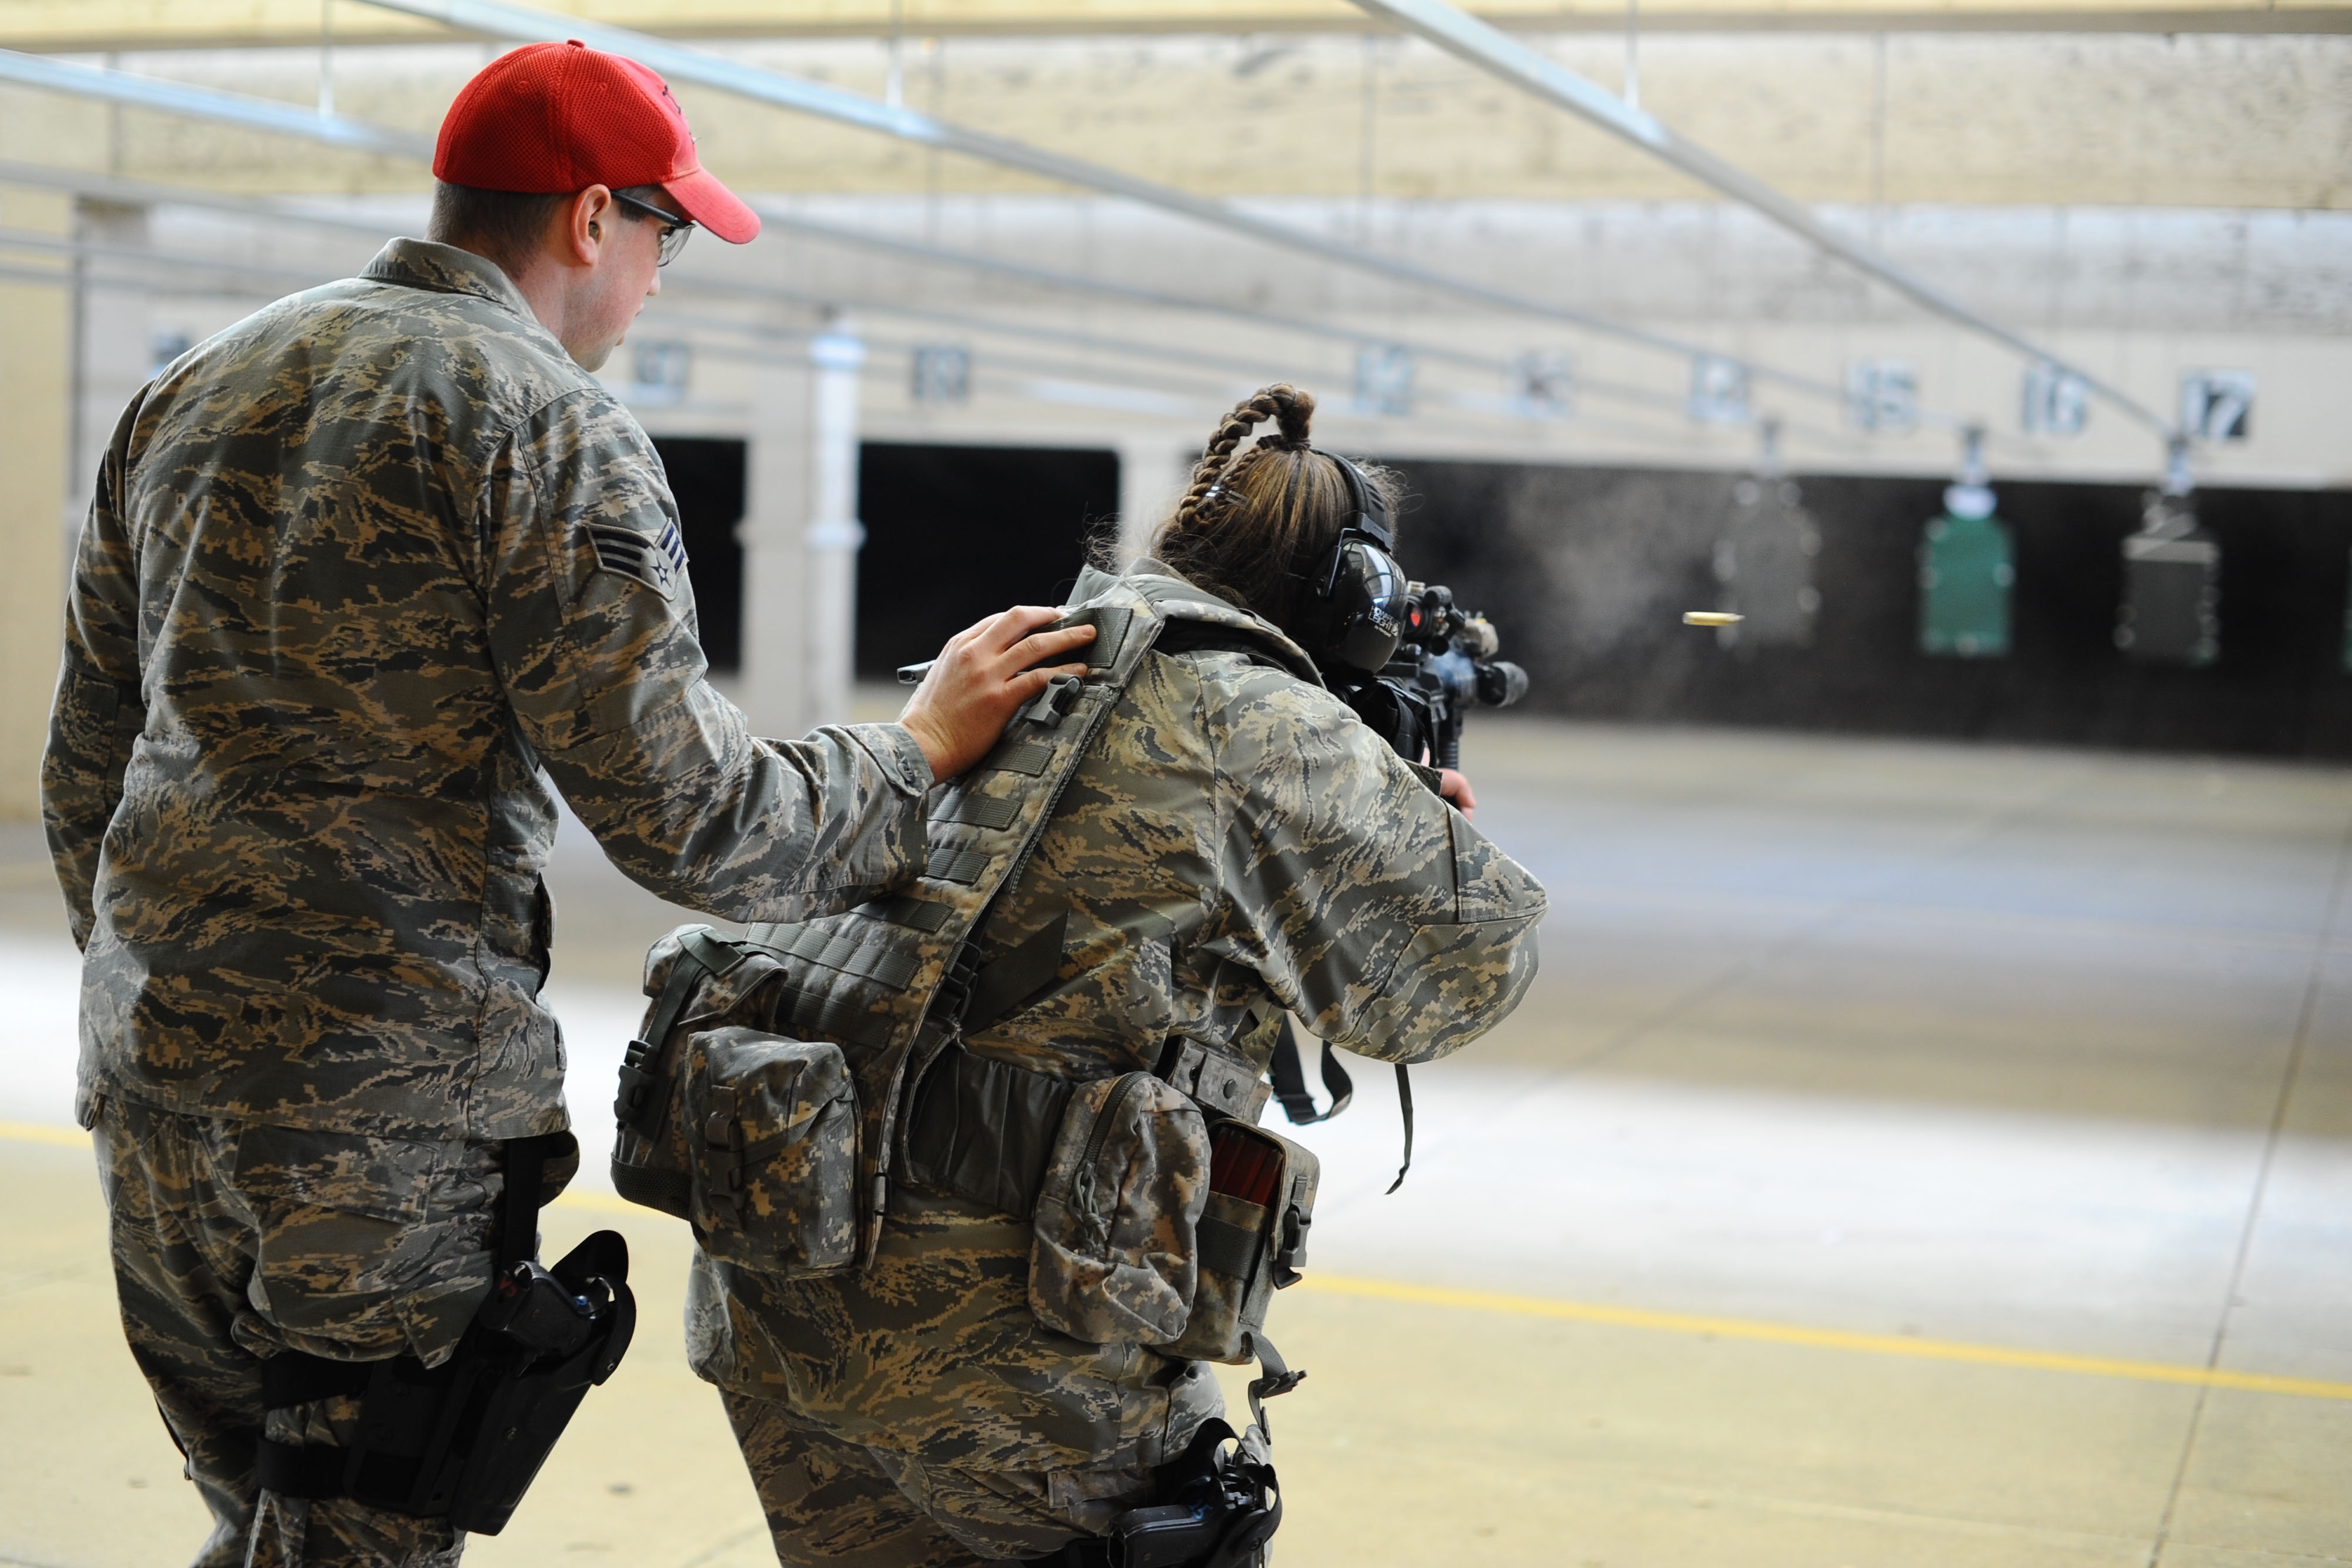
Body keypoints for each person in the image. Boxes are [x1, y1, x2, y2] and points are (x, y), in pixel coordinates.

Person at [39, 39, 1092, 1568]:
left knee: (265, 1518)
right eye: (665, 231)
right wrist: (917, 748)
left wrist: (173, 981)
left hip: (154, 1089)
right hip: (374, 1119)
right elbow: (689, 817)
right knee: (359, 1536)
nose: (668, 271)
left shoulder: (190, 389)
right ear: (591, 217)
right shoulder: (541, 420)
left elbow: (89, 760)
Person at [688, 383, 1547, 1564]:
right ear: (1348, 596)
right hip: (1007, 1369)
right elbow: (1457, 979)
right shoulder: (1265, 723)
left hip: (781, 1291)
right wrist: (1419, 823)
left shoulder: (1026, 650)